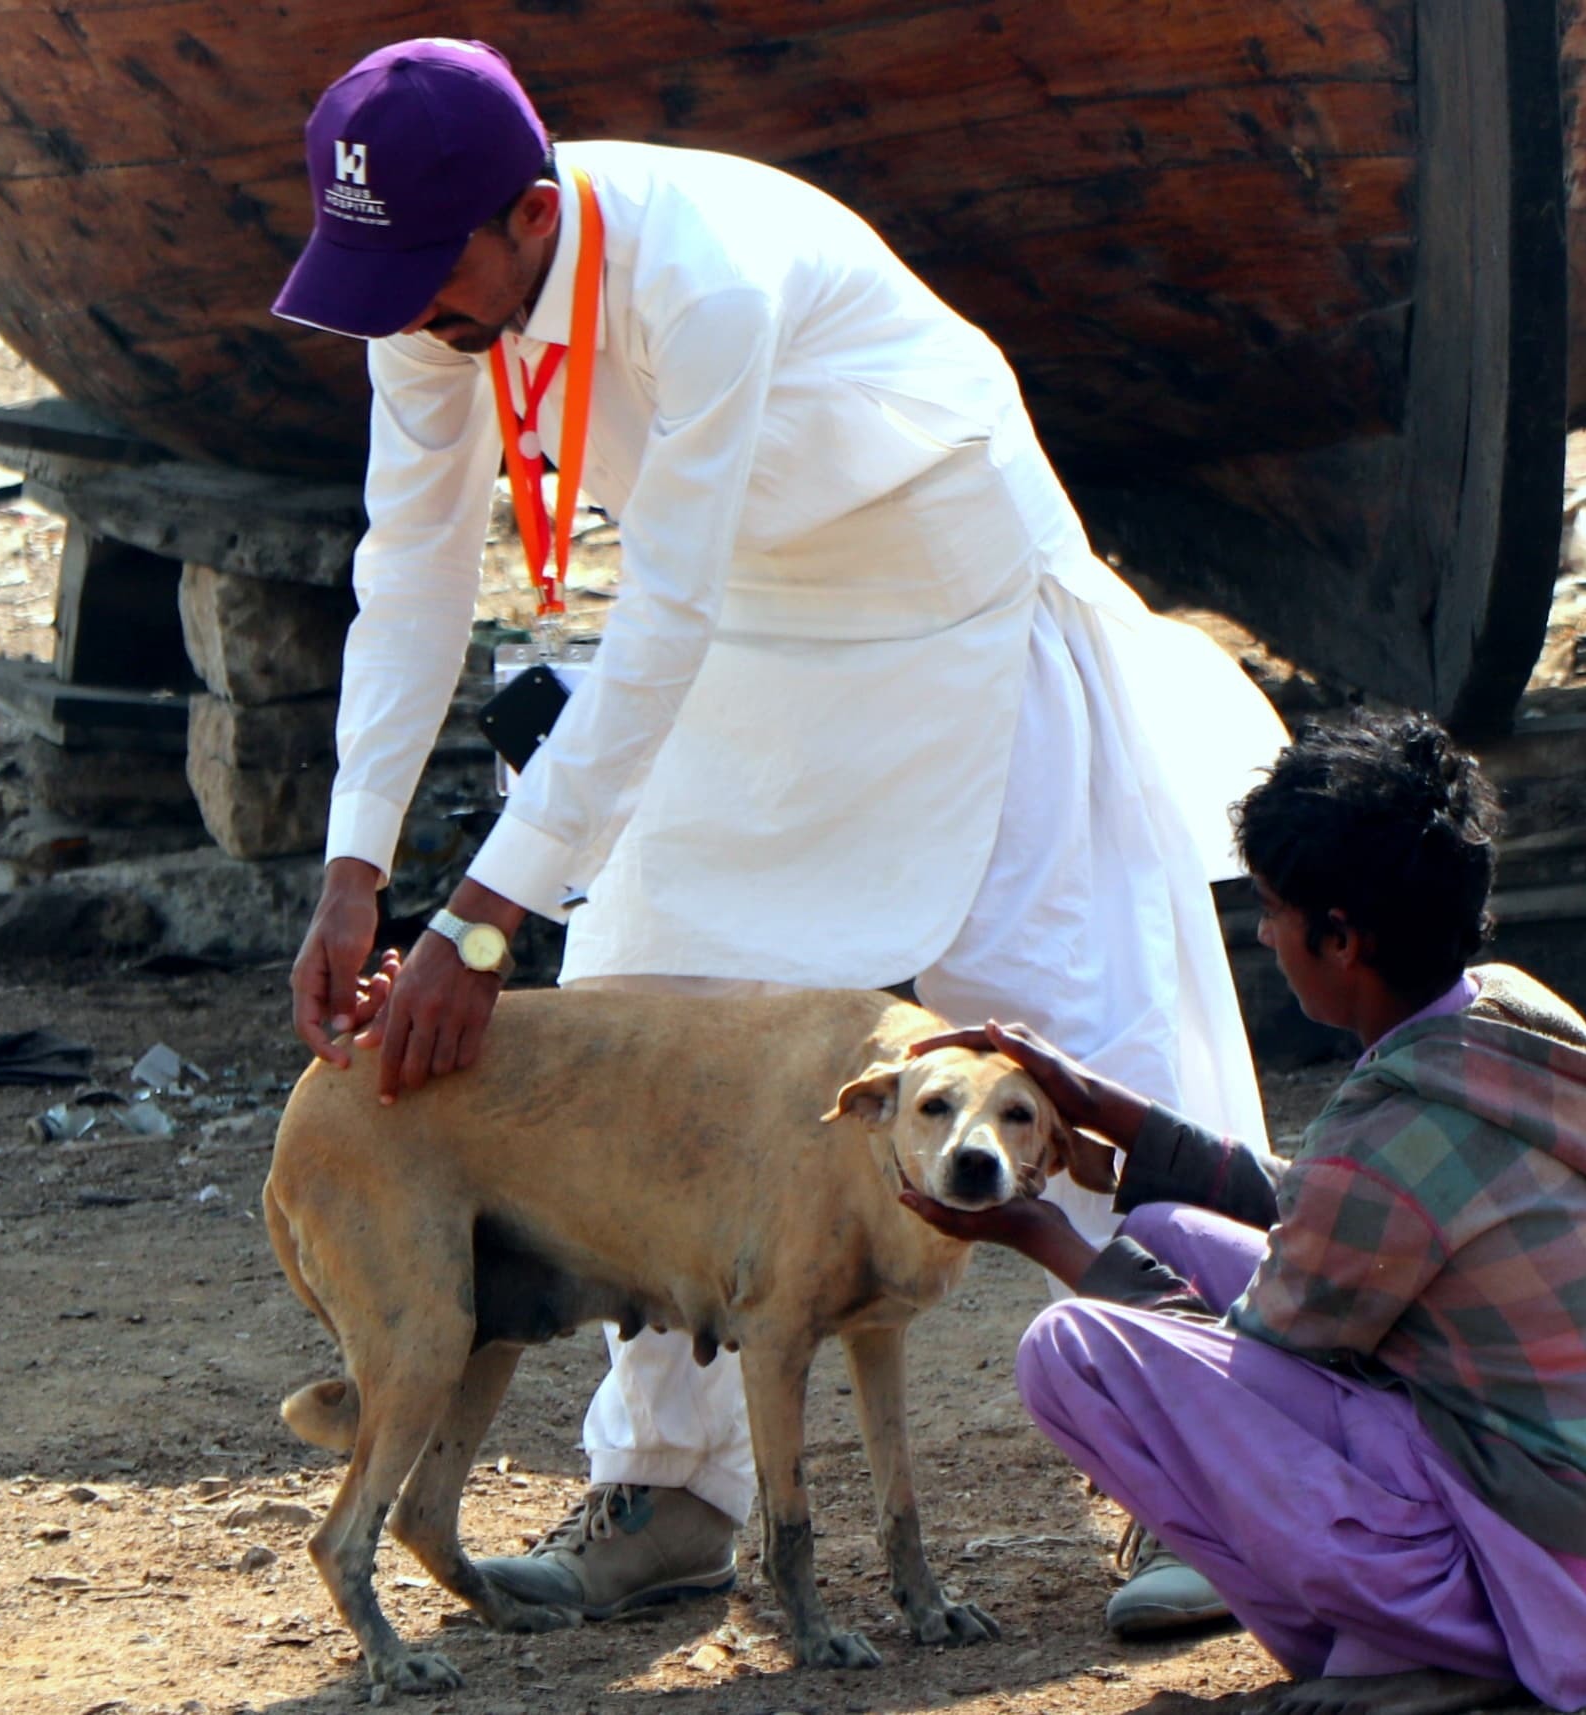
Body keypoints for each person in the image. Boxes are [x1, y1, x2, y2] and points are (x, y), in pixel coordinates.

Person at [269, 39, 1289, 1634]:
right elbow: (408, 568)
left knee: (1086, 1039)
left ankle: (1206, 1483)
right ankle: (673, 1484)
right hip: (756, 635)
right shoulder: (433, 295)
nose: (402, 311)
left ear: (531, 217)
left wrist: (477, 921)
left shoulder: (707, 273)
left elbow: (651, 613)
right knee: (631, 1019)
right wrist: (353, 870)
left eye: (421, 275)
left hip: (952, 613)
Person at [901, 714, 1586, 1715]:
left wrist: (1040, 1232)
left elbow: (1275, 1330)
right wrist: (1104, 1103)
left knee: (1073, 1348)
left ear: (1340, 936)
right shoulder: (1497, 1012)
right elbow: (1342, 1212)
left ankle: (1440, 1642)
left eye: (1275, 911)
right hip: (1585, 1501)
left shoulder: (1396, 1122)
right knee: (1161, 1229)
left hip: (1519, 1541)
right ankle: (1418, 1630)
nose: (1266, 934)